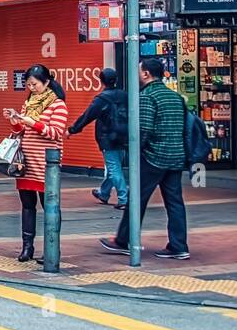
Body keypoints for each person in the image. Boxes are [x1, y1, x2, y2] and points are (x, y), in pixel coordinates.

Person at [101, 58, 190, 260]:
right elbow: (185, 128)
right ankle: (179, 245)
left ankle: (123, 240)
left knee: (136, 199)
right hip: (175, 157)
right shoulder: (175, 97)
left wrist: (135, 153)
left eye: (139, 71)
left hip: (153, 157)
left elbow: (144, 130)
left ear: (146, 74)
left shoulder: (148, 96)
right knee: (175, 202)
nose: (137, 75)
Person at [3, 63, 68, 263]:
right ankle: (27, 247)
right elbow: (19, 131)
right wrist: (14, 119)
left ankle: (51, 248)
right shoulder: (28, 103)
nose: (31, 88)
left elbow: (56, 132)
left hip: (46, 165)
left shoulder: (58, 105)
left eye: (35, 84)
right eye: (29, 85)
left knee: (50, 206)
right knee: (27, 205)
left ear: (46, 82)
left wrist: (33, 123)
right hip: (26, 163)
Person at [68, 67, 128, 209]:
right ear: (116, 80)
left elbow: (87, 116)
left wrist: (73, 129)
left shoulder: (102, 99)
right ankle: (104, 193)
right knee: (115, 167)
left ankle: (123, 199)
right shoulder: (125, 96)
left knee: (113, 168)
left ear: (101, 81)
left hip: (108, 138)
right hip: (125, 136)